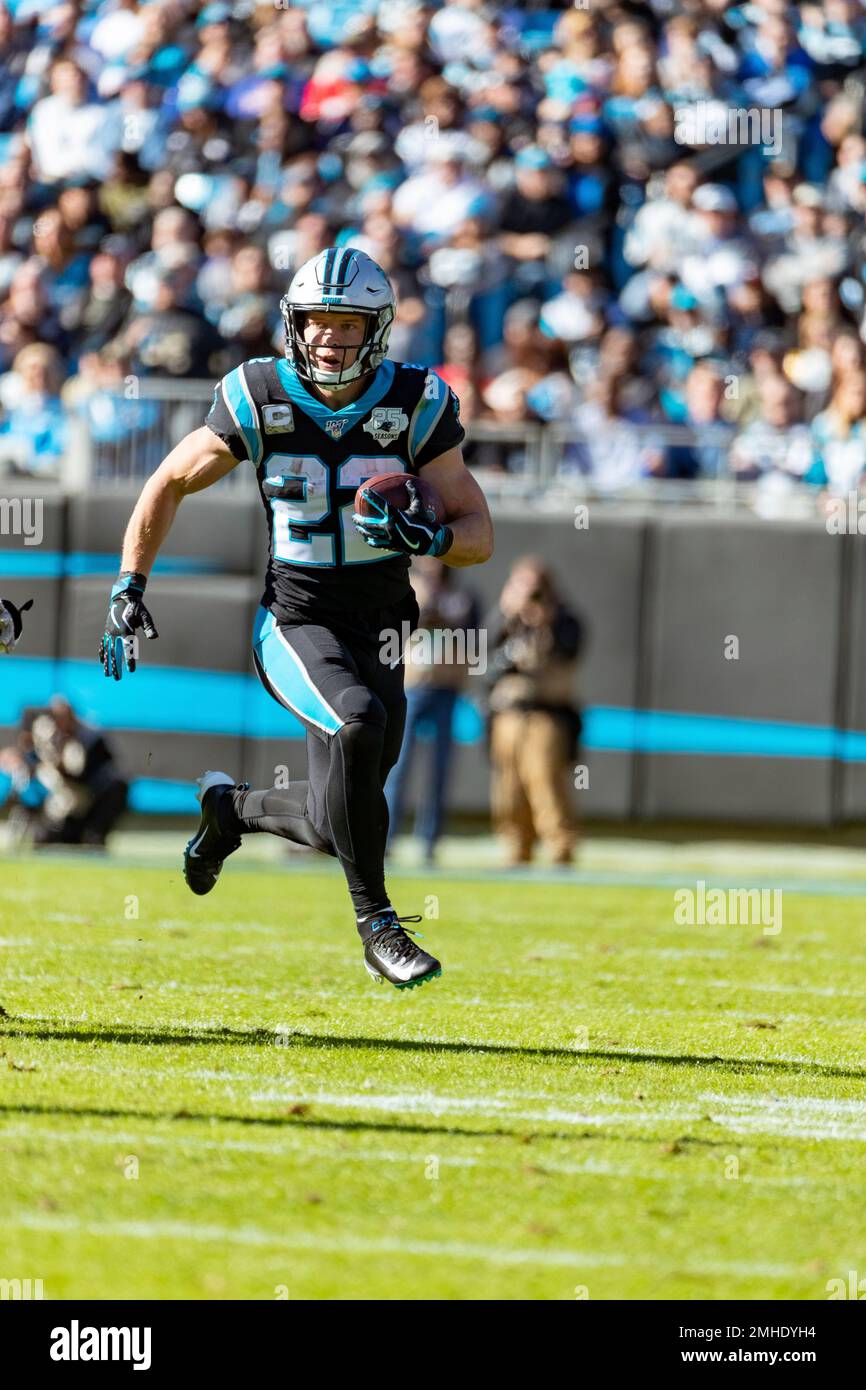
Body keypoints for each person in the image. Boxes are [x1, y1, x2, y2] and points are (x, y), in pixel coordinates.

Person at [99, 247, 493, 990]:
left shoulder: (413, 400)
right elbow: (168, 481)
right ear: (293, 323)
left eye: (346, 326)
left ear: (376, 331)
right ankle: (378, 925)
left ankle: (230, 811)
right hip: (295, 616)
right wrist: (130, 581)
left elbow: (479, 532)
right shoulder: (258, 393)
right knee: (355, 723)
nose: (328, 340)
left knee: (335, 813)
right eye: (316, 323)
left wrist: (436, 537)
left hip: (381, 620)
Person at [488, 558, 584, 867]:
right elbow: (485, 659)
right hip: (510, 714)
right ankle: (516, 843)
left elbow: (570, 649)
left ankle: (560, 844)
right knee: (509, 784)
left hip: (546, 713)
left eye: (536, 589)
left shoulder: (565, 620)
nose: (530, 595)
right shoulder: (505, 620)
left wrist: (546, 619)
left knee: (545, 781)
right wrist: (507, 613)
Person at [385, 558, 481, 865]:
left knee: (439, 767)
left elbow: (470, 633)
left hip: (446, 687)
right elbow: (396, 626)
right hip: (412, 685)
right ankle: (387, 837)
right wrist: (424, 609)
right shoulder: (409, 586)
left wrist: (444, 617)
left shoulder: (462, 595)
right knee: (398, 766)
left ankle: (429, 839)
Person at [0, 697, 128, 847]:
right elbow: (30, 755)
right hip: (57, 797)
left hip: (86, 793)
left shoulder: (89, 737)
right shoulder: (47, 733)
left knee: (112, 788)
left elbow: (90, 770)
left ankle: (93, 834)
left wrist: (64, 768)